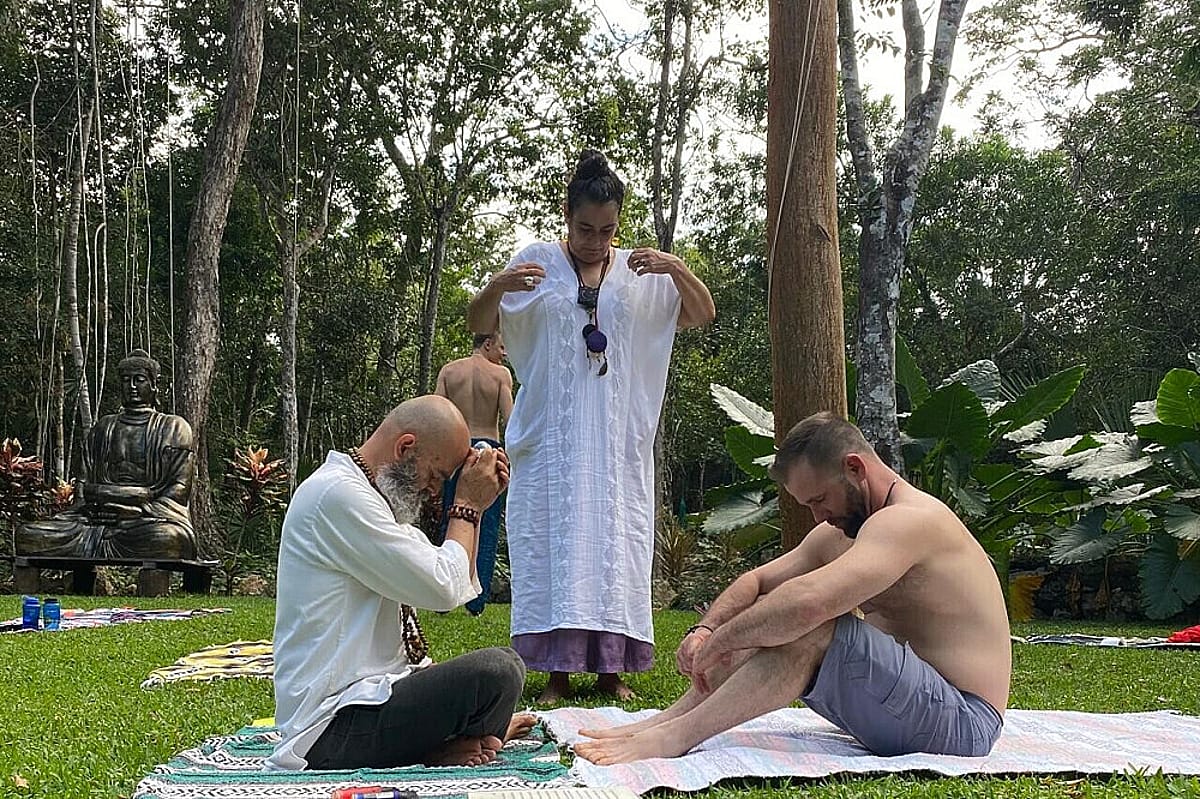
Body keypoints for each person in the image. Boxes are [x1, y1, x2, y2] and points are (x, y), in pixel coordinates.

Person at [575, 412, 1011, 764]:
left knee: (809, 623)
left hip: (963, 720)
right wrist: (708, 630)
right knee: (771, 612)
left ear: (855, 468)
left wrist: (723, 642)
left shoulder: (910, 521)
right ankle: (666, 721)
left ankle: (676, 737)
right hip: (906, 708)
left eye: (821, 500)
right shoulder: (843, 532)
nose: (820, 516)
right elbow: (758, 580)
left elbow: (810, 604)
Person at [467, 149, 716, 704]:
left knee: (615, 545)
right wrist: (500, 284)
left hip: (616, 446)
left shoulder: (638, 271)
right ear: (566, 214)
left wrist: (676, 268)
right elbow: (478, 322)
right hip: (552, 440)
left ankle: (611, 670)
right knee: (554, 544)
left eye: (607, 230)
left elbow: (701, 314)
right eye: (585, 228)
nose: (596, 241)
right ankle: (555, 672)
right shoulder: (534, 262)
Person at [268, 395, 535, 771]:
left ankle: (450, 744)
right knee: (496, 670)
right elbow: (442, 588)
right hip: (328, 730)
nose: (433, 492)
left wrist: (475, 506)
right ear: (406, 447)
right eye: (436, 476)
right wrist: (468, 506)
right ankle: (457, 743)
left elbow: (448, 581)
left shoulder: (373, 499)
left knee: (506, 664)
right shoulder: (338, 496)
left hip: (370, 703)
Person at [15, 349, 197, 560]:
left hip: (146, 521)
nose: (131, 387)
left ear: (154, 385)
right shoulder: (104, 427)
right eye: (125, 380)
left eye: (139, 380)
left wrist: (138, 509)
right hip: (95, 522)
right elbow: (83, 486)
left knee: (168, 539)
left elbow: (179, 489)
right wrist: (93, 508)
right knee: (28, 535)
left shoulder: (174, 428)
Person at [434, 332, 514, 615]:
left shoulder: (449, 371)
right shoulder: (500, 375)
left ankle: (444, 597)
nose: (504, 354)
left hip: (456, 448)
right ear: (488, 343)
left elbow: (436, 415)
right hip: (488, 451)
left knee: (451, 516)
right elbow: (511, 420)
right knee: (486, 524)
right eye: (502, 347)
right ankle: (475, 601)